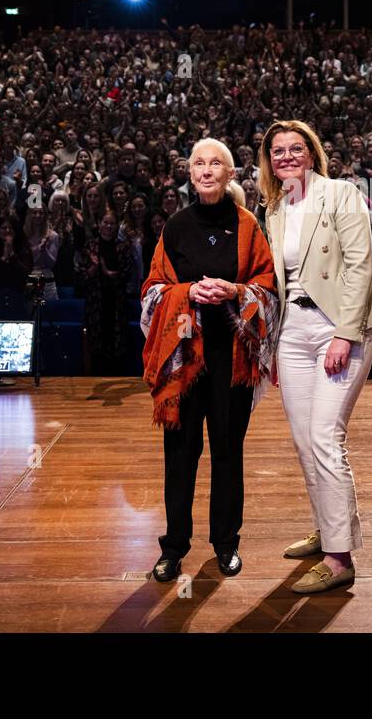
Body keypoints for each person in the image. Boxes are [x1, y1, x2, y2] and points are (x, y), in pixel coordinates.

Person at [260, 120, 372, 594]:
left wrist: (344, 333)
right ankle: (327, 529)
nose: (287, 157)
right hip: (293, 332)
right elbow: (277, 282)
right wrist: (273, 344)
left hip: (341, 324)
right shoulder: (273, 208)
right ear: (269, 161)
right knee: (303, 441)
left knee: (324, 437)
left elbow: (361, 265)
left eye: (296, 149)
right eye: (278, 151)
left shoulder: (340, 194)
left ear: (312, 154)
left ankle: (340, 559)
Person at [140, 138, 279, 583]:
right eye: (198, 163)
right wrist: (187, 294)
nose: (206, 170)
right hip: (185, 358)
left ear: (231, 174)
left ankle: (226, 543)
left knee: (227, 451)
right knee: (179, 455)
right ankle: (173, 547)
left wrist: (235, 291)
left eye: (215, 163)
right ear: (190, 173)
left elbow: (269, 287)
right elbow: (151, 292)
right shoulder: (175, 227)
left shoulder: (248, 225)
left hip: (232, 356)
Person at [79, 210, 142, 374]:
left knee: (116, 344)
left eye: (112, 223)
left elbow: (126, 273)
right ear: (99, 223)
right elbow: (83, 275)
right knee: (97, 345)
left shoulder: (123, 246)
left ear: (116, 226)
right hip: (96, 302)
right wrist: (94, 267)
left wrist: (108, 273)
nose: (108, 226)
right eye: (105, 222)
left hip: (116, 302)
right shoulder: (90, 245)